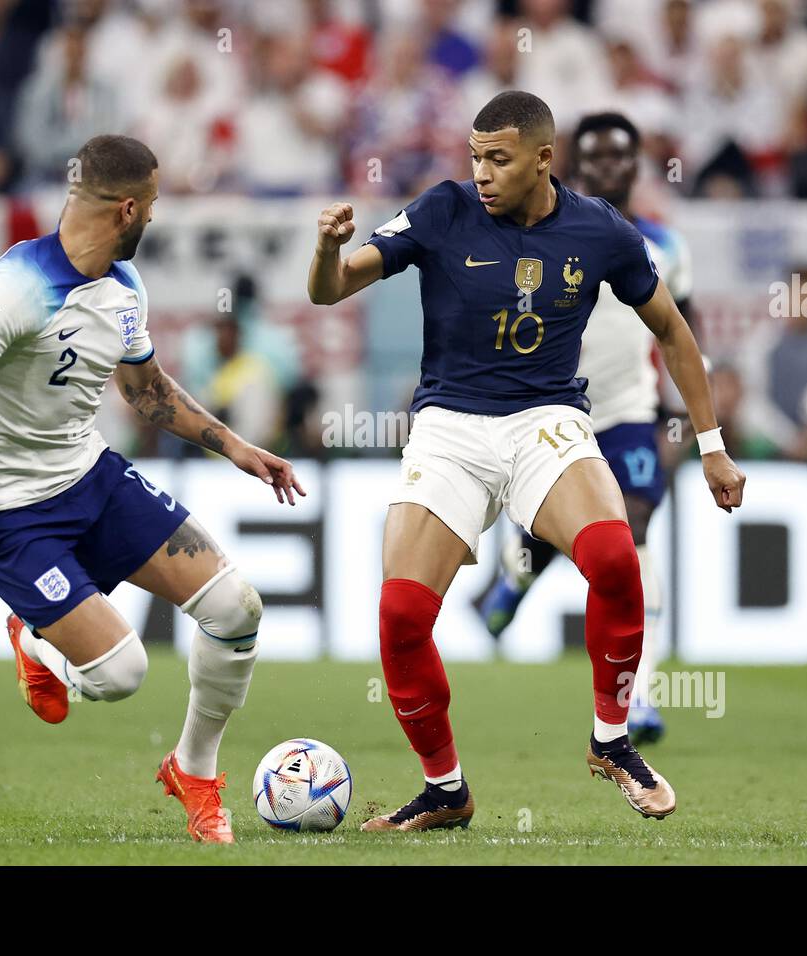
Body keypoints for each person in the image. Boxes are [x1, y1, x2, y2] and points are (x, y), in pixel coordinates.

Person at [307, 91, 745, 831]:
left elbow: (672, 330)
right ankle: (445, 789)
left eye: (498, 159)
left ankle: (613, 740)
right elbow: (331, 290)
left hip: (547, 420)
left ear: (544, 159)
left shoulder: (600, 231)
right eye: (475, 156)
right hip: (449, 426)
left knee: (615, 558)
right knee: (402, 615)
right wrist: (325, 250)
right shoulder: (442, 210)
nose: (481, 173)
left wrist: (712, 448)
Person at [0, 135, 305, 844]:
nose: (154, 219)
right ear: (126, 208)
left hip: (90, 476)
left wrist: (235, 446)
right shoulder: (14, 285)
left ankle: (195, 773)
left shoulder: (124, 288)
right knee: (121, 674)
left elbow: (145, 393)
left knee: (237, 607)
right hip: (4, 510)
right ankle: (33, 638)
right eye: (151, 206)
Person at [477, 111, 693, 745]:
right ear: (572, 162)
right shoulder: (540, 232)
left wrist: (687, 409)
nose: (607, 167)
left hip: (629, 410)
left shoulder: (667, 246)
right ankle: (517, 576)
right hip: (551, 412)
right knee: (561, 534)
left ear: (636, 164)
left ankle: (640, 697)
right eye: (593, 156)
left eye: (619, 156)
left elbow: (680, 325)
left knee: (636, 528)